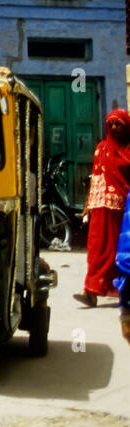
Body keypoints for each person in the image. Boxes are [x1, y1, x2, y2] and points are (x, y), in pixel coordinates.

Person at [77, 109, 130, 306]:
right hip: (100, 206)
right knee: (97, 248)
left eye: (119, 124)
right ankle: (91, 289)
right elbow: (95, 180)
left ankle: (115, 287)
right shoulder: (101, 148)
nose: (114, 128)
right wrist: (88, 207)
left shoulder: (128, 151)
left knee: (116, 251)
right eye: (111, 124)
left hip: (122, 209)